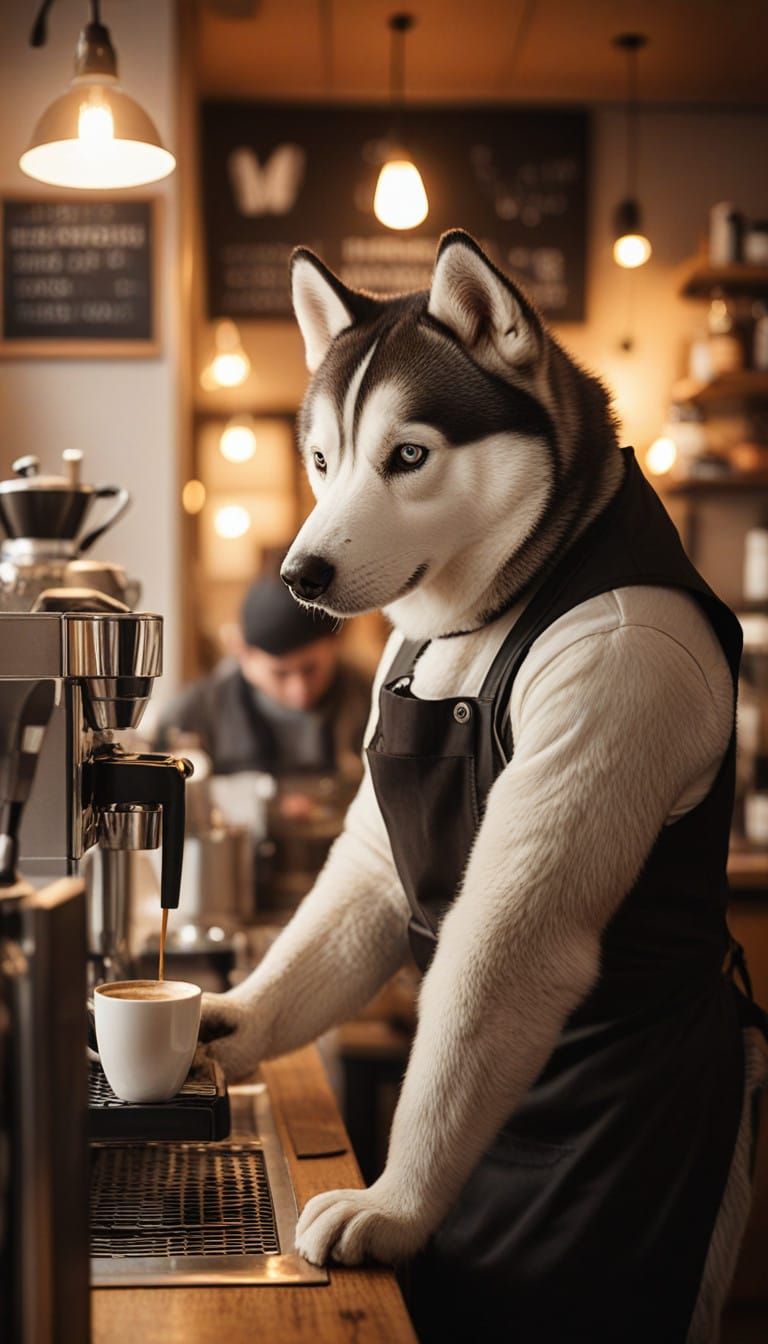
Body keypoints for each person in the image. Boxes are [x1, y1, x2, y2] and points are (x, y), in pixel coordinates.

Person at [155, 575, 371, 779]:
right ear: (241, 652)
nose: (300, 690)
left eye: (310, 669)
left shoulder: (372, 698)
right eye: (280, 673)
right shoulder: (193, 716)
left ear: (335, 645)